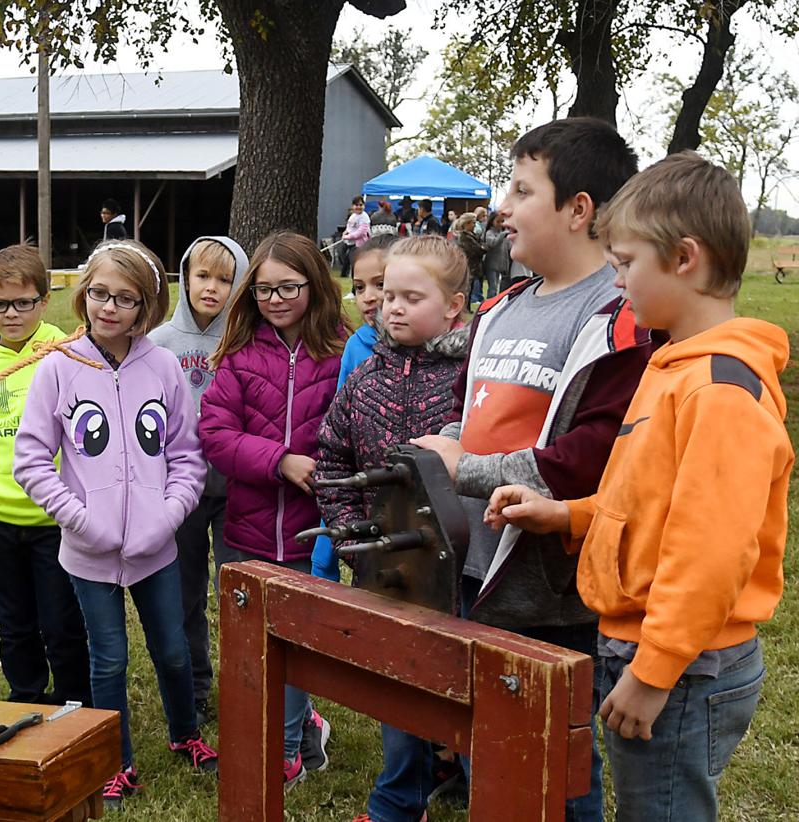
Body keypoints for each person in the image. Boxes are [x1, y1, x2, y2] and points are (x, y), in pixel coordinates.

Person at [484, 151, 791, 822]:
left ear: (684, 259)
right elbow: (649, 503)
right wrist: (565, 514)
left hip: (683, 666)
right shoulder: (672, 366)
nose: (617, 283)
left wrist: (654, 675)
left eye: (625, 265)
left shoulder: (717, 389)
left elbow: (711, 551)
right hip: (653, 647)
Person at [411, 117, 654, 822]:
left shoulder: (618, 319)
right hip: (475, 569)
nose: (502, 209)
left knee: (563, 765)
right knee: (495, 749)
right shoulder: (503, 307)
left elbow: (594, 455)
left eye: (522, 190)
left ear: (580, 210)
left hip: (553, 592)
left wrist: (465, 468)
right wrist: (445, 446)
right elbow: (470, 414)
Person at [13, 240, 217, 807]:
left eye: (125, 299)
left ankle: (185, 734)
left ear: (146, 306)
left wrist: (169, 516)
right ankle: (116, 759)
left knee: (173, 650)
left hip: (157, 548)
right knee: (109, 658)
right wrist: (80, 520)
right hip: (88, 552)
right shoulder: (57, 368)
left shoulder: (164, 368)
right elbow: (31, 460)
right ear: (83, 295)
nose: (109, 307)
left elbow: (185, 454)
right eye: (100, 294)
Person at [316, 236, 469, 822]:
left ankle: (480, 785)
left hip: (461, 565)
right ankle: (398, 802)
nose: (390, 306)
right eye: (384, 293)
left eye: (410, 295)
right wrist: (354, 535)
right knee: (401, 678)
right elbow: (331, 458)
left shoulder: (469, 379)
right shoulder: (364, 379)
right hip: (389, 563)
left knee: (468, 681)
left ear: (453, 305)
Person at [199, 231, 348, 789]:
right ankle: (305, 732)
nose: (276, 299)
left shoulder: (342, 352)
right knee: (255, 644)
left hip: (314, 532)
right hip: (247, 529)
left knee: (297, 642)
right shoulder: (240, 353)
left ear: (315, 285)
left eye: (289, 286)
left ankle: (285, 752)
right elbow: (214, 434)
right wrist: (280, 459)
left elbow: (355, 432)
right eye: (263, 289)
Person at [0, 244, 91, 708]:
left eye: (23, 302)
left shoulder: (67, 352)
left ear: (43, 300)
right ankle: (25, 696)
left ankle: (74, 701)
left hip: (54, 518)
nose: (11, 313)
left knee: (61, 621)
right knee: (13, 621)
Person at [147, 235, 249, 727]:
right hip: (179, 492)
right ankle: (196, 687)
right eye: (202, 275)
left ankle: (248, 688)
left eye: (225, 279)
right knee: (184, 594)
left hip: (237, 491)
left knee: (236, 590)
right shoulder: (160, 343)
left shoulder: (245, 339)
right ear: (184, 276)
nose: (211, 288)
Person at [310, 231, 399, 582]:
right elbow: (337, 438)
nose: (368, 297)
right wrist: (323, 560)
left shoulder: (435, 351)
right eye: (359, 287)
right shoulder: (356, 346)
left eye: (380, 284)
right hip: (360, 487)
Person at [454, 213, 486, 308]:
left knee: (470, 288)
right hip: (468, 266)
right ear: (467, 224)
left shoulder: (472, 236)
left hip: (474, 266)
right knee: (467, 288)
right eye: (473, 223)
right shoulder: (464, 237)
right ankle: (464, 307)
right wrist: (482, 248)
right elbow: (477, 250)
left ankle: (467, 307)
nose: (474, 225)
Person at [342, 195, 372, 277]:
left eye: (361, 205)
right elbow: (349, 228)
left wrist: (348, 237)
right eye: (356, 205)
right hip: (350, 244)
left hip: (359, 245)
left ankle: (355, 287)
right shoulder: (353, 216)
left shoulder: (364, 217)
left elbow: (361, 232)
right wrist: (345, 233)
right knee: (349, 262)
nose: (358, 207)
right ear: (352, 206)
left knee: (356, 266)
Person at [482, 211, 512, 296]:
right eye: (498, 221)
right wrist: (502, 235)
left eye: (502, 221)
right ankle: (490, 305)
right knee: (493, 287)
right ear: (492, 221)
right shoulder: (489, 233)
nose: (500, 224)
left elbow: (508, 248)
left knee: (501, 287)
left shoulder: (504, 234)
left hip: (502, 265)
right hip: (492, 265)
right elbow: (492, 243)